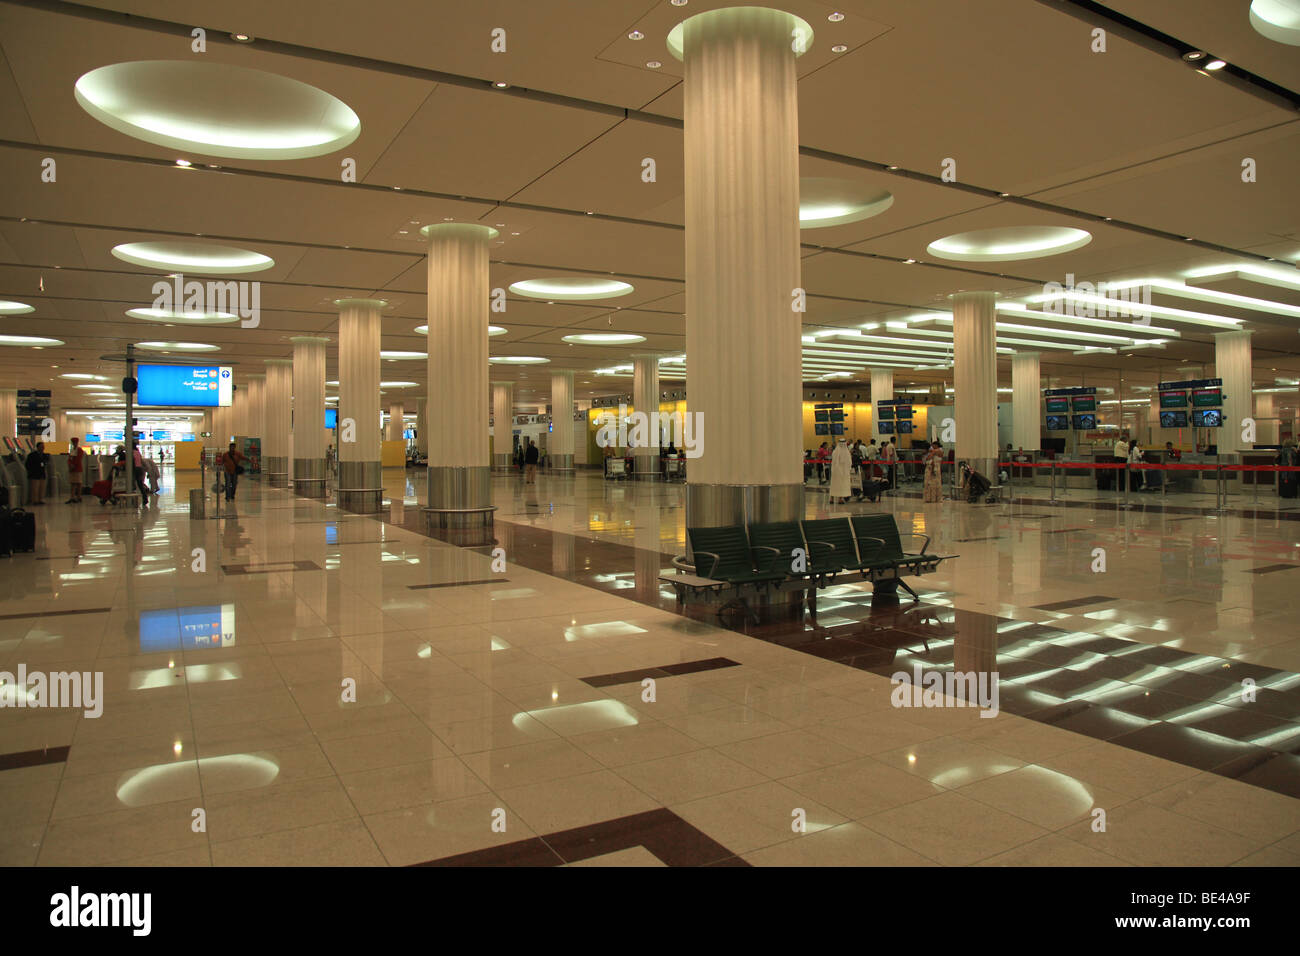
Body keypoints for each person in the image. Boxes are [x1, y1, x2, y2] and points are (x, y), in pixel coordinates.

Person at [25, 441, 49, 505]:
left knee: (42, 488)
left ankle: (40, 499)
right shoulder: (32, 455)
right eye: (41, 447)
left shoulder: (45, 455)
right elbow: (27, 464)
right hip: (34, 474)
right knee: (35, 488)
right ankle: (35, 500)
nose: (43, 448)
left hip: (42, 474)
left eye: (43, 447)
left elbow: (46, 463)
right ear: (38, 447)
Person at [829, 438, 852, 504]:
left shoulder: (835, 451)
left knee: (834, 484)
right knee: (841, 485)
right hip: (843, 472)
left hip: (836, 472)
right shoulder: (847, 452)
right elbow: (849, 462)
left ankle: (832, 498)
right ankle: (840, 499)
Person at [65, 436, 85, 503]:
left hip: (77, 469)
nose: (74, 443)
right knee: (73, 483)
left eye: (75, 442)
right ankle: (73, 497)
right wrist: (70, 465)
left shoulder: (79, 450)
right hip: (73, 469)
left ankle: (79, 496)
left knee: (78, 483)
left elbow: (78, 459)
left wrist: (73, 465)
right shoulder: (72, 450)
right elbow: (69, 459)